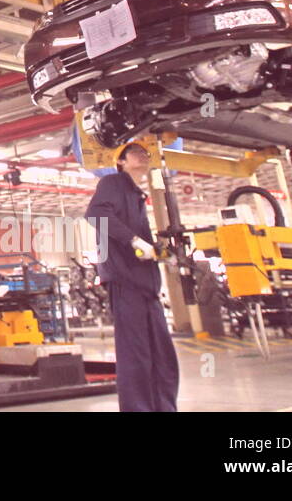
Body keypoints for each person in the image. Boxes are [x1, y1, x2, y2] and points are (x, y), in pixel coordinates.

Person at [85, 142, 179, 412]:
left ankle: (163, 408)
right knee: (135, 356)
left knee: (163, 356)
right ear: (121, 162)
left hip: (148, 288)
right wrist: (135, 241)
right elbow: (96, 214)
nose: (143, 155)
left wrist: (160, 250)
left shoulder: (138, 195)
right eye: (135, 152)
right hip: (126, 284)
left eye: (146, 153)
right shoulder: (113, 182)